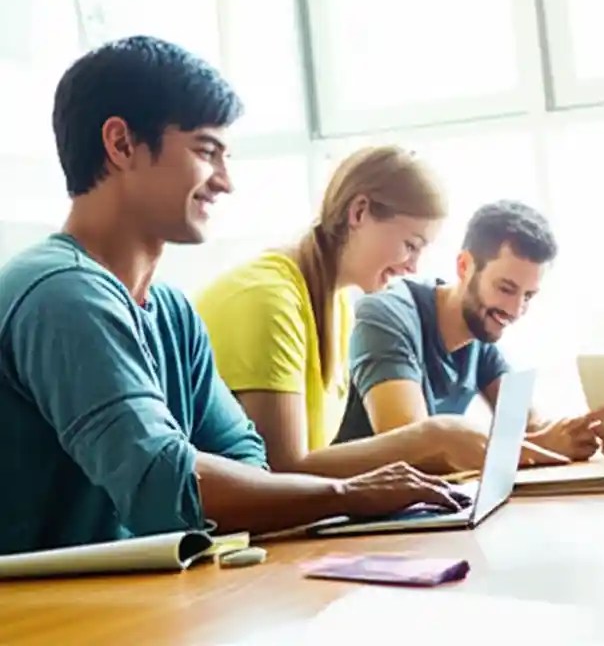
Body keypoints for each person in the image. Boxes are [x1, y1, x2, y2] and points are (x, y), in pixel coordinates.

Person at [0, 36, 462, 556]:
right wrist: (350, 495)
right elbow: (169, 484)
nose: (225, 181)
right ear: (122, 144)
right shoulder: (61, 293)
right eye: (206, 151)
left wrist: (342, 497)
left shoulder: (171, 312)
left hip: (144, 591)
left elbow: (249, 466)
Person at [197, 145, 459, 477]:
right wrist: (433, 437)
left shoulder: (339, 305)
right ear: (359, 212)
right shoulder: (268, 299)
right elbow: (279, 471)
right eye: (411, 245)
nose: (413, 266)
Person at [336, 200, 604, 472]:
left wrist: (581, 433)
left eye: (528, 296)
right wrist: (541, 445)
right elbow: (410, 449)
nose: (515, 310)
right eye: (506, 289)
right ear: (464, 266)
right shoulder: (386, 316)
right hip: (356, 498)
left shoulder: (480, 334)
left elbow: (531, 424)